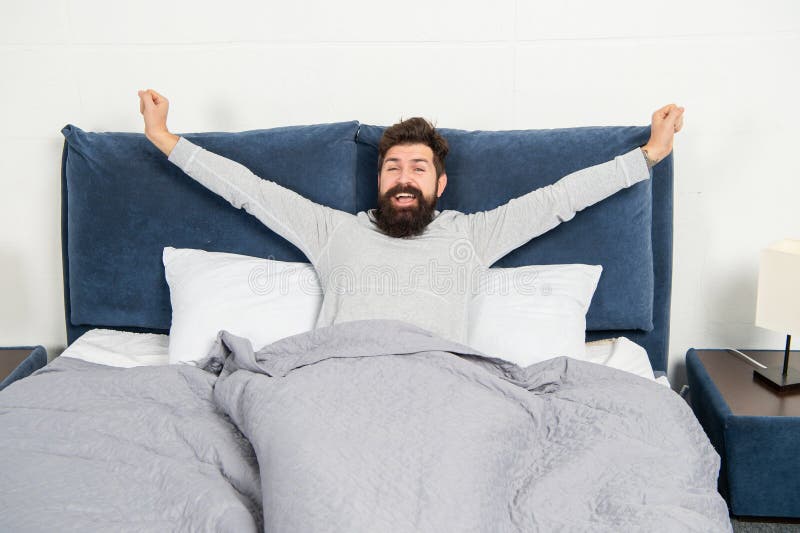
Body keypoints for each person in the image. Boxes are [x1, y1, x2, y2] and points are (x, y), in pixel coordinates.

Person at [138, 89, 684, 344]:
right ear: (379, 181)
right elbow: (248, 191)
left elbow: (559, 199)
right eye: (393, 166)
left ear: (439, 186)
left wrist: (649, 155)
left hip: (439, 377)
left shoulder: (473, 235)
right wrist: (166, 140)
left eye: (418, 168)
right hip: (334, 376)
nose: (403, 177)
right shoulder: (334, 231)